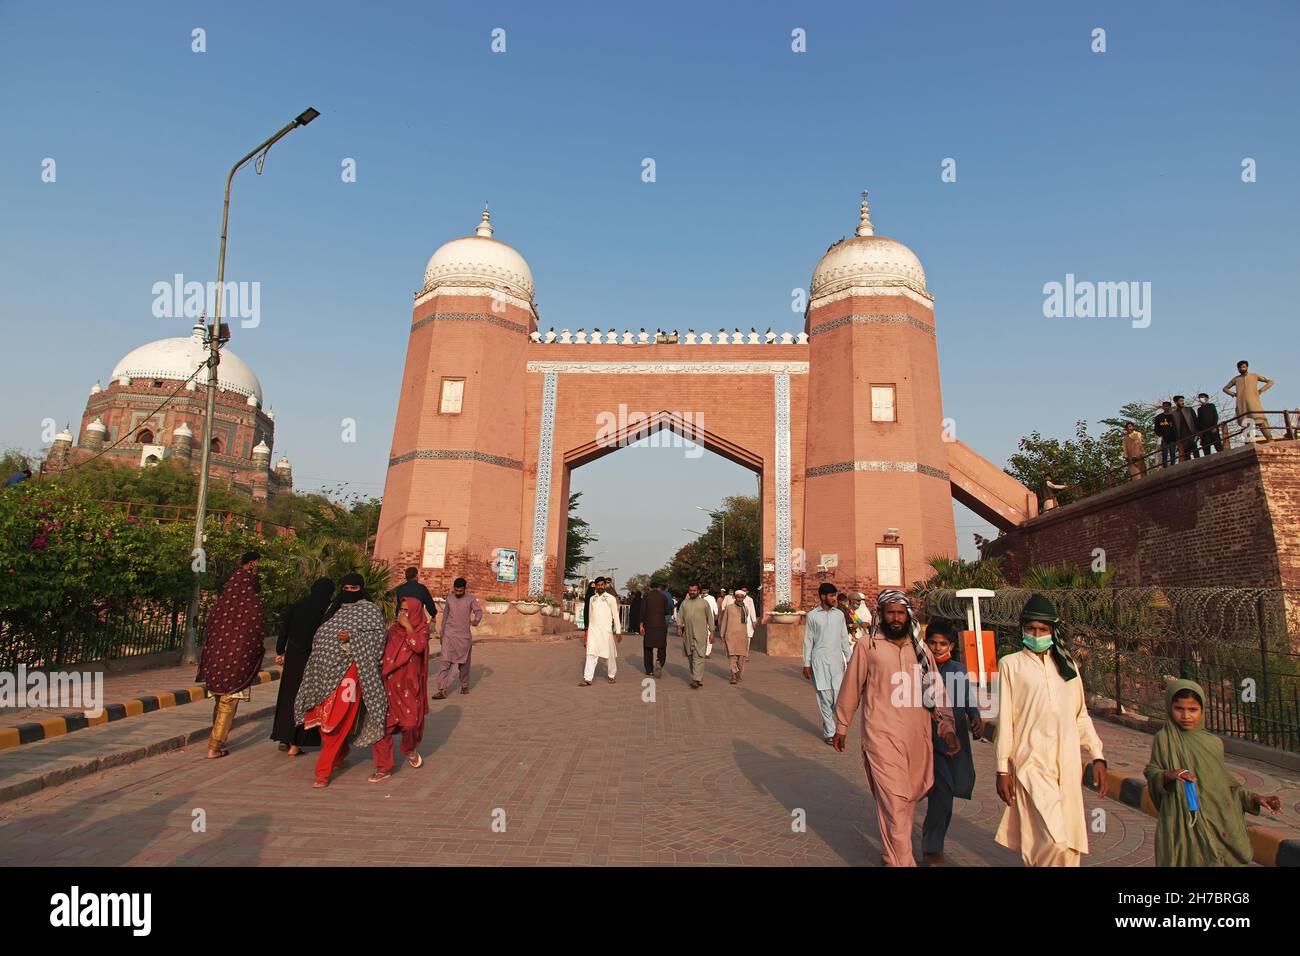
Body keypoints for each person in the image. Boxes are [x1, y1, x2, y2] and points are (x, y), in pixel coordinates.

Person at [833, 590, 958, 867]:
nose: (896, 618)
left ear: (908, 615)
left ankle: (892, 855)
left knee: (906, 799)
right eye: (891, 612)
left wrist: (946, 727)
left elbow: (935, 690)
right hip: (880, 734)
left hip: (917, 736)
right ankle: (904, 861)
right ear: (881, 614)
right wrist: (842, 725)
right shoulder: (868, 646)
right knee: (895, 798)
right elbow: (852, 686)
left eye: (901, 613)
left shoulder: (920, 649)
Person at [994, 593, 1107, 866]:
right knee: (1053, 840)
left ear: (1052, 631)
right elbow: (1005, 720)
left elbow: (1080, 716)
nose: (1036, 634)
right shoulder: (1011, 665)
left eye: (1042, 629)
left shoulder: (1068, 668)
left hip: (1067, 766)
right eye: (1031, 629)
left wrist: (1098, 756)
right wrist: (1001, 769)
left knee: (1069, 846)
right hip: (1030, 764)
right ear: (1023, 630)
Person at [1144, 679, 1280, 866]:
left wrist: (1255, 798)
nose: (1186, 715)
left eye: (1193, 710)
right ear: (1169, 708)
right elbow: (1152, 771)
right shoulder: (1164, 739)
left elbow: (1224, 784)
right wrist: (1170, 774)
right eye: (1179, 709)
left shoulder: (1213, 743)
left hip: (1217, 821)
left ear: (1202, 710)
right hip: (1183, 823)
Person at [293, 573, 388, 788]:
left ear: (360, 589)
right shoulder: (334, 609)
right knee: (320, 717)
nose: (348, 592)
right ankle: (340, 753)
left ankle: (322, 772)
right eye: (345, 587)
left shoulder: (370, 611)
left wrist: (353, 637)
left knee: (337, 719)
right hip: (322, 673)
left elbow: (378, 637)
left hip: (351, 672)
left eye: (353, 589)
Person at [921, 620, 984, 866]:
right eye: (932, 643)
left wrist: (975, 716)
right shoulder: (918, 668)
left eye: (942, 644)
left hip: (952, 741)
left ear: (951, 645)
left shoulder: (958, 669)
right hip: (927, 739)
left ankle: (933, 840)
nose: (937, 648)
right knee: (939, 792)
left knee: (945, 794)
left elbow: (967, 700)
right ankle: (931, 844)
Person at [196, 551, 266, 760]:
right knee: (229, 700)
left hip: (216, 658)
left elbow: (210, 630)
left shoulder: (221, 604)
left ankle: (214, 739)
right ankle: (215, 746)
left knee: (219, 698)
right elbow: (255, 634)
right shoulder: (252, 605)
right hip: (237, 659)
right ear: (253, 564)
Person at [369, 595, 430, 782]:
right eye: (400, 610)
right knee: (383, 727)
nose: (402, 614)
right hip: (388, 684)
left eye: (406, 611)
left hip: (409, 686)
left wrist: (408, 627)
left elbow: (418, 646)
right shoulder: (392, 631)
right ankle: (383, 767)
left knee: (410, 723)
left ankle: (408, 748)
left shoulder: (421, 629)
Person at [271, 576, 333, 756]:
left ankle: (284, 736)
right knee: (306, 698)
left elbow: (284, 629)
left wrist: (280, 651)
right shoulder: (328, 609)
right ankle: (297, 743)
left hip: (294, 656)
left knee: (288, 695)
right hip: (314, 658)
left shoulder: (297, 605)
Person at [803, 583, 852, 745]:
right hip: (819, 661)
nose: (834, 599)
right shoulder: (812, 616)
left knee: (838, 698)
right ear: (823, 596)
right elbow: (808, 641)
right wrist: (806, 663)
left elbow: (844, 638)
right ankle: (830, 732)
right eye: (831, 596)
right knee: (824, 697)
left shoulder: (839, 615)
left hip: (837, 662)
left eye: (835, 595)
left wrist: (851, 660)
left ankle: (829, 721)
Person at [435, 577, 481, 698]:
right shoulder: (450, 598)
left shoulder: (471, 599)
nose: (458, 593)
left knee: (464, 664)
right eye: (456, 591)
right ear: (453, 589)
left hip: (463, 637)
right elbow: (445, 616)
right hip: (449, 635)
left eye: (461, 591)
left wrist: (477, 619)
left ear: (465, 589)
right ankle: (441, 689)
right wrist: (442, 632)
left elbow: (478, 611)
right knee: (445, 662)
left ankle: (464, 684)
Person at [581, 576, 620, 685]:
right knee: (591, 653)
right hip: (593, 631)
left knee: (610, 655)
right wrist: (587, 629)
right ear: (596, 586)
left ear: (605, 585)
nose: (600, 587)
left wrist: (618, 631)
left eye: (602, 585)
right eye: (598, 585)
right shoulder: (592, 599)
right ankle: (588, 678)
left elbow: (616, 616)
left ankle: (611, 675)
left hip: (606, 631)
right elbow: (590, 615)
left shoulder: (611, 598)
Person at [1223, 359, 1275, 441]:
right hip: (1242, 404)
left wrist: (1261, 390)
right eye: (1240, 368)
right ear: (1238, 369)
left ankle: (1270, 439)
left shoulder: (1254, 376)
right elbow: (1225, 389)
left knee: (1260, 420)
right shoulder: (1236, 379)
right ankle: (1248, 442)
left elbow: (1271, 382)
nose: (1242, 369)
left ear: (1247, 367)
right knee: (1246, 422)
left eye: (1243, 367)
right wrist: (1234, 394)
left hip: (1254, 403)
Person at [677, 583, 714, 689]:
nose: (692, 592)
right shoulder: (685, 603)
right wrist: (679, 627)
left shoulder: (704, 603)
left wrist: (712, 632)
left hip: (701, 634)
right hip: (688, 634)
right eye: (690, 590)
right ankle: (697, 676)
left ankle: (696, 679)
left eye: (694, 590)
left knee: (699, 655)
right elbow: (680, 616)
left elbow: (710, 618)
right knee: (690, 655)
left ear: (698, 591)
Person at [717, 587, 750, 685]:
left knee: (742, 657)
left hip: (742, 636)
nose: (739, 599)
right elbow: (724, 621)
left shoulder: (745, 609)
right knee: (732, 656)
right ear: (735, 597)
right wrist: (722, 635)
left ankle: (739, 672)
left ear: (743, 598)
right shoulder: (729, 608)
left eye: (741, 597)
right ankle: (733, 675)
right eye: (738, 597)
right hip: (730, 635)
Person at [639, 580, 671, 677]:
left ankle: (649, 670)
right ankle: (659, 661)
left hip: (649, 626)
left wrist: (641, 625)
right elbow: (667, 611)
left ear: (650, 588)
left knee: (648, 647)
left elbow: (642, 611)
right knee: (661, 646)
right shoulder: (663, 597)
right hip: (661, 625)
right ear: (658, 588)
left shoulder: (646, 597)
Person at [1172, 395, 1200, 462]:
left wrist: (1198, 432)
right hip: (1182, 437)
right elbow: (1174, 427)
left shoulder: (1189, 409)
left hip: (1191, 433)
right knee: (1186, 454)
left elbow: (1195, 420)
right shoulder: (1173, 414)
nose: (1182, 402)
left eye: (1183, 401)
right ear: (1176, 402)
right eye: (1180, 401)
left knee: (1195, 451)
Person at [1154, 402, 1178, 468]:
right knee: (1164, 454)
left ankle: (1173, 467)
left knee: (1172, 453)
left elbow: (1177, 427)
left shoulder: (1174, 416)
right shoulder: (1158, 417)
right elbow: (1156, 428)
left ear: (1170, 407)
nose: (1165, 407)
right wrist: (1160, 435)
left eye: (1167, 406)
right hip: (1164, 438)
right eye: (1164, 406)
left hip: (1173, 438)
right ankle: (1165, 467)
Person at [702, 586, 719, 658]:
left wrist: (714, 619)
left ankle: (707, 653)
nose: (704, 591)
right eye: (703, 590)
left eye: (705, 590)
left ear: (708, 590)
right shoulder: (699, 597)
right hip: (699, 620)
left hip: (709, 620)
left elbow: (716, 610)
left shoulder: (712, 598)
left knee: (709, 636)